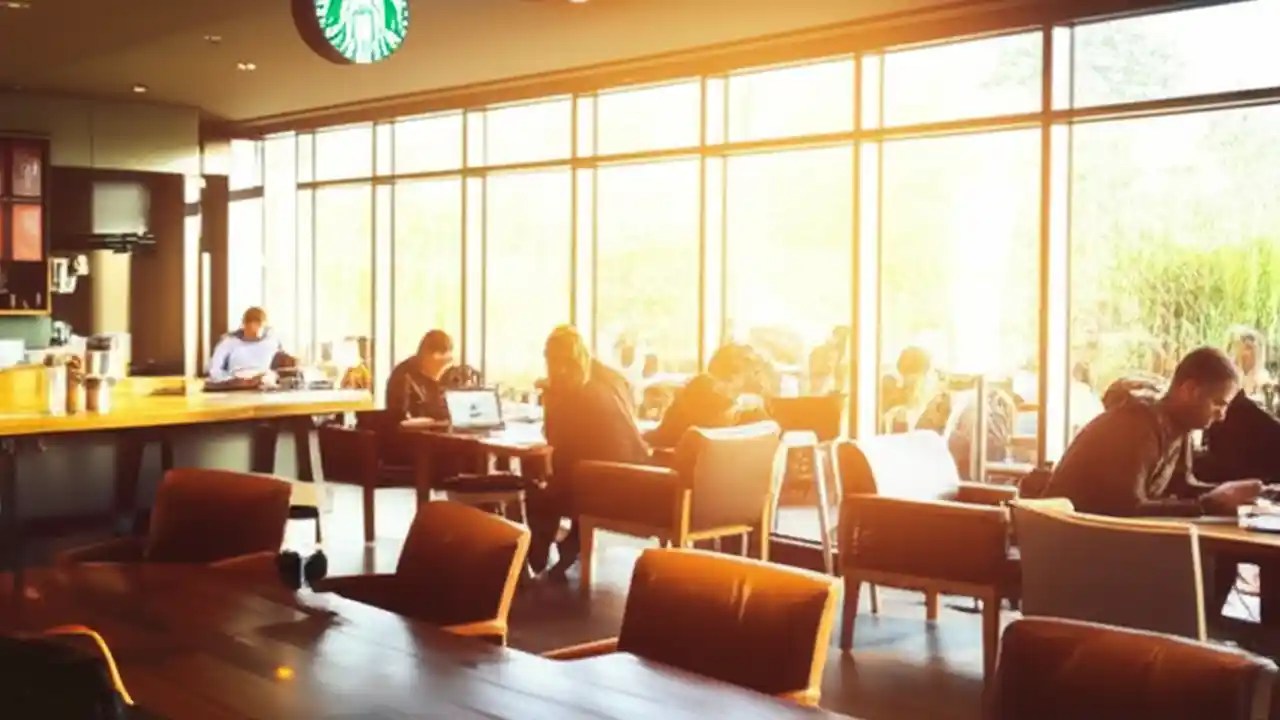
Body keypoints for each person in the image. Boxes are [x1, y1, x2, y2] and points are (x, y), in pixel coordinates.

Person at [1044, 347, 1262, 518]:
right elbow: (1128, 508)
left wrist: (1230, 494)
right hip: (1071, 541)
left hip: (1103, 537)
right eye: (1218, 404)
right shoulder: (1136, 425)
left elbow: (1182, 486)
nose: (1221, 416)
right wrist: (1209, 504)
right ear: (1189, 391)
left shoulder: (1179, 428)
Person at [530, 325, 648, 579]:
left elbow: (557, 442)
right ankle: (571, 542)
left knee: (537, 488)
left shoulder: (572, 389)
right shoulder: (613, 379)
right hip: (638, 478)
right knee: (562, 474)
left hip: (600, 484)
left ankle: (533, 561)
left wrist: (550, 400)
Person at [644, 343, 763, 449]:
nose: (759, 376)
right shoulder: (704, 393)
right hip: (663, 459)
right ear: (735, 375)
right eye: (755, 371)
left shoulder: (726, 400)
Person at [385, 330, 454, 421]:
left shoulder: (437, 377)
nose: (443, 367)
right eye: (440, 362)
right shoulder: (404, 375)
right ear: (427, 354)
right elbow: (399, 415)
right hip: (412, 432)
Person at [207, 307, 283, 383]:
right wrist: (231, 380)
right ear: (244, 324)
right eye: (250, 325)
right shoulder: (229, 342)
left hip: (262, 381)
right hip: (235, 381)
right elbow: (214, 370)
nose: (254, 329)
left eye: (258, 324)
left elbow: (283, 363)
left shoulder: (271, 341)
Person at [1227, 325, 1272, 397]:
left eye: (1251, 348)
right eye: (1246, 348)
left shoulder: (1263, 376)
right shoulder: (1230, 373)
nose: (1248, 354)